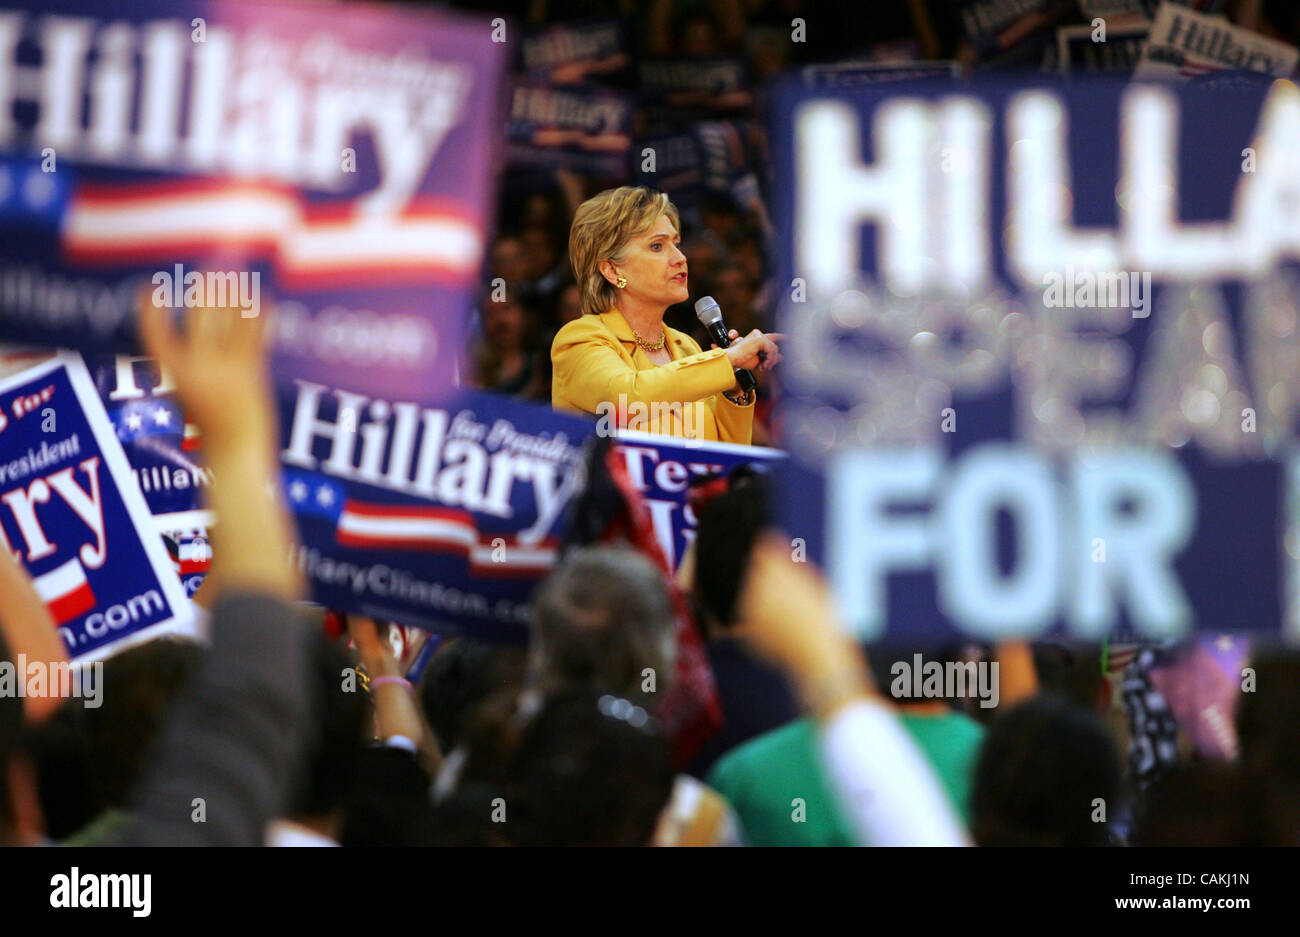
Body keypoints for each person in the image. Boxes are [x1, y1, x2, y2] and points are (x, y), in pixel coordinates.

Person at [551, 185, 781, 444]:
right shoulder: (580, 340)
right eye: (657, 246)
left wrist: (734, 391)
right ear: (613, 271)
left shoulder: (687, 348)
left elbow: (727, 459)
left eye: (676, 244)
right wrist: (728, 360)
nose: (680, 258)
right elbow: (628, 398)